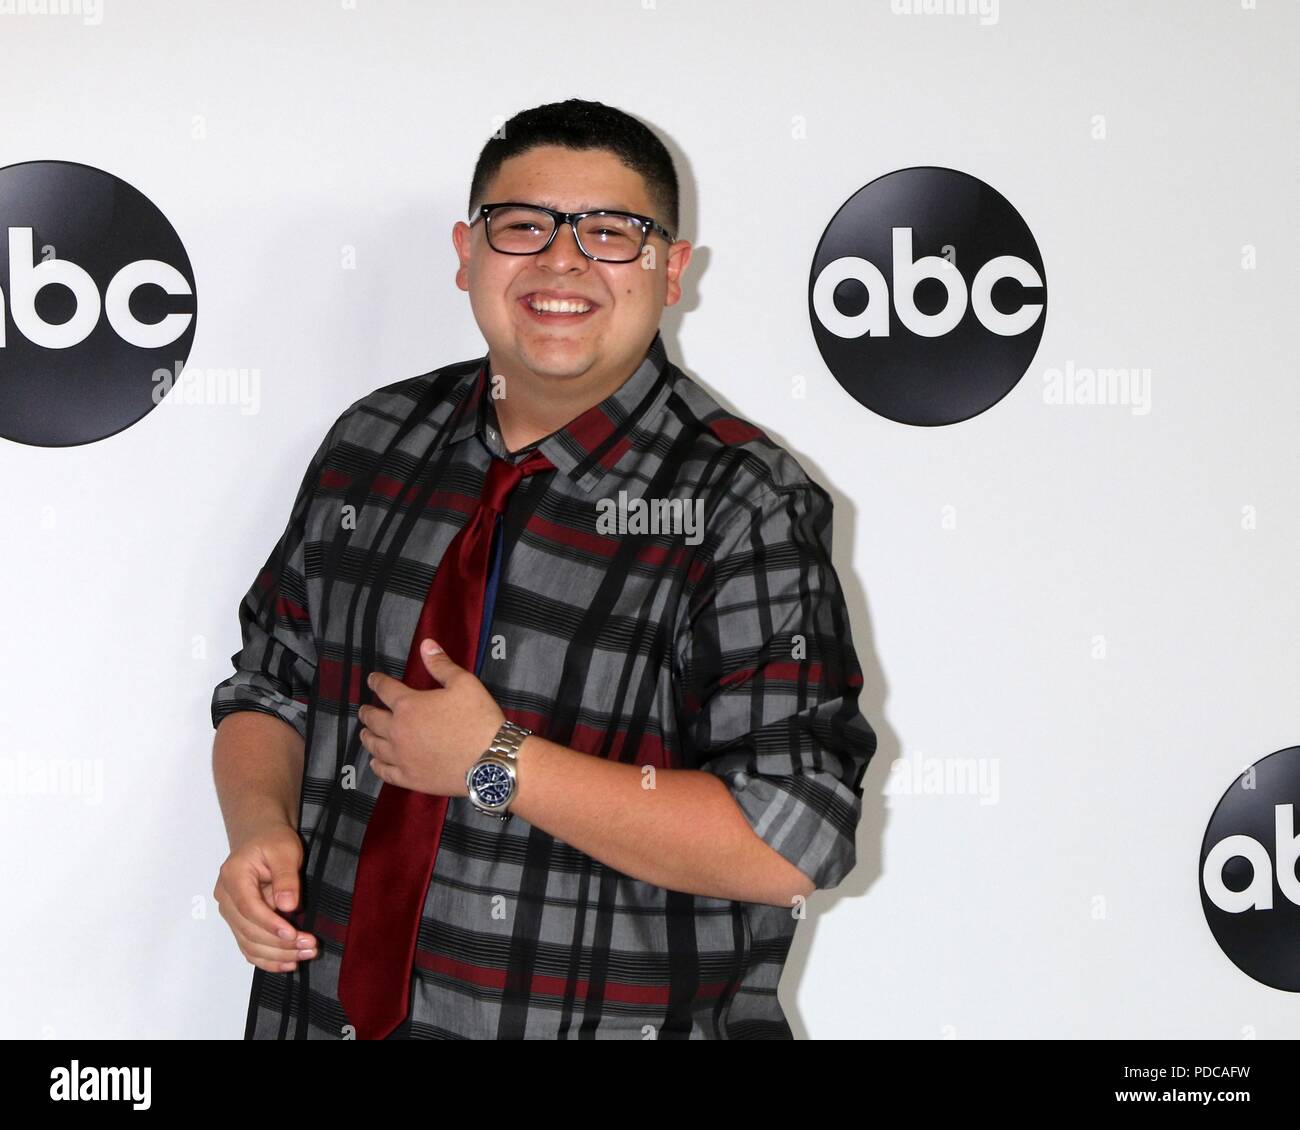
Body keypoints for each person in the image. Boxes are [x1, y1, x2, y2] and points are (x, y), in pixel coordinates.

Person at [209, 98, 878, 1040]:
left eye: (612, 233)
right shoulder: (373, 444)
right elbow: (268, 689)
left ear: (671, 269)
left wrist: (496, 765)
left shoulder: (742, 501)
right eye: (522, 226)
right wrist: (260, 829)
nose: (561, 261)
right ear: (466, 252)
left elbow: (790, 835)